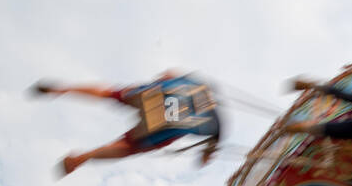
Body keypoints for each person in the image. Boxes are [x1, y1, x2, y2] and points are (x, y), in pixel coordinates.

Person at [32, 72, 221, 175]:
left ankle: (62, 89)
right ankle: (81, 158)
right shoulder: (216, 126)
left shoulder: (194, 81)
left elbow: (167, 75)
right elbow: (208, 153)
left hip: (156, 94)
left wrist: (156, 83)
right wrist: (204, 157)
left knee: (109, 94)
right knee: (128, 146)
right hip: (167, 124)